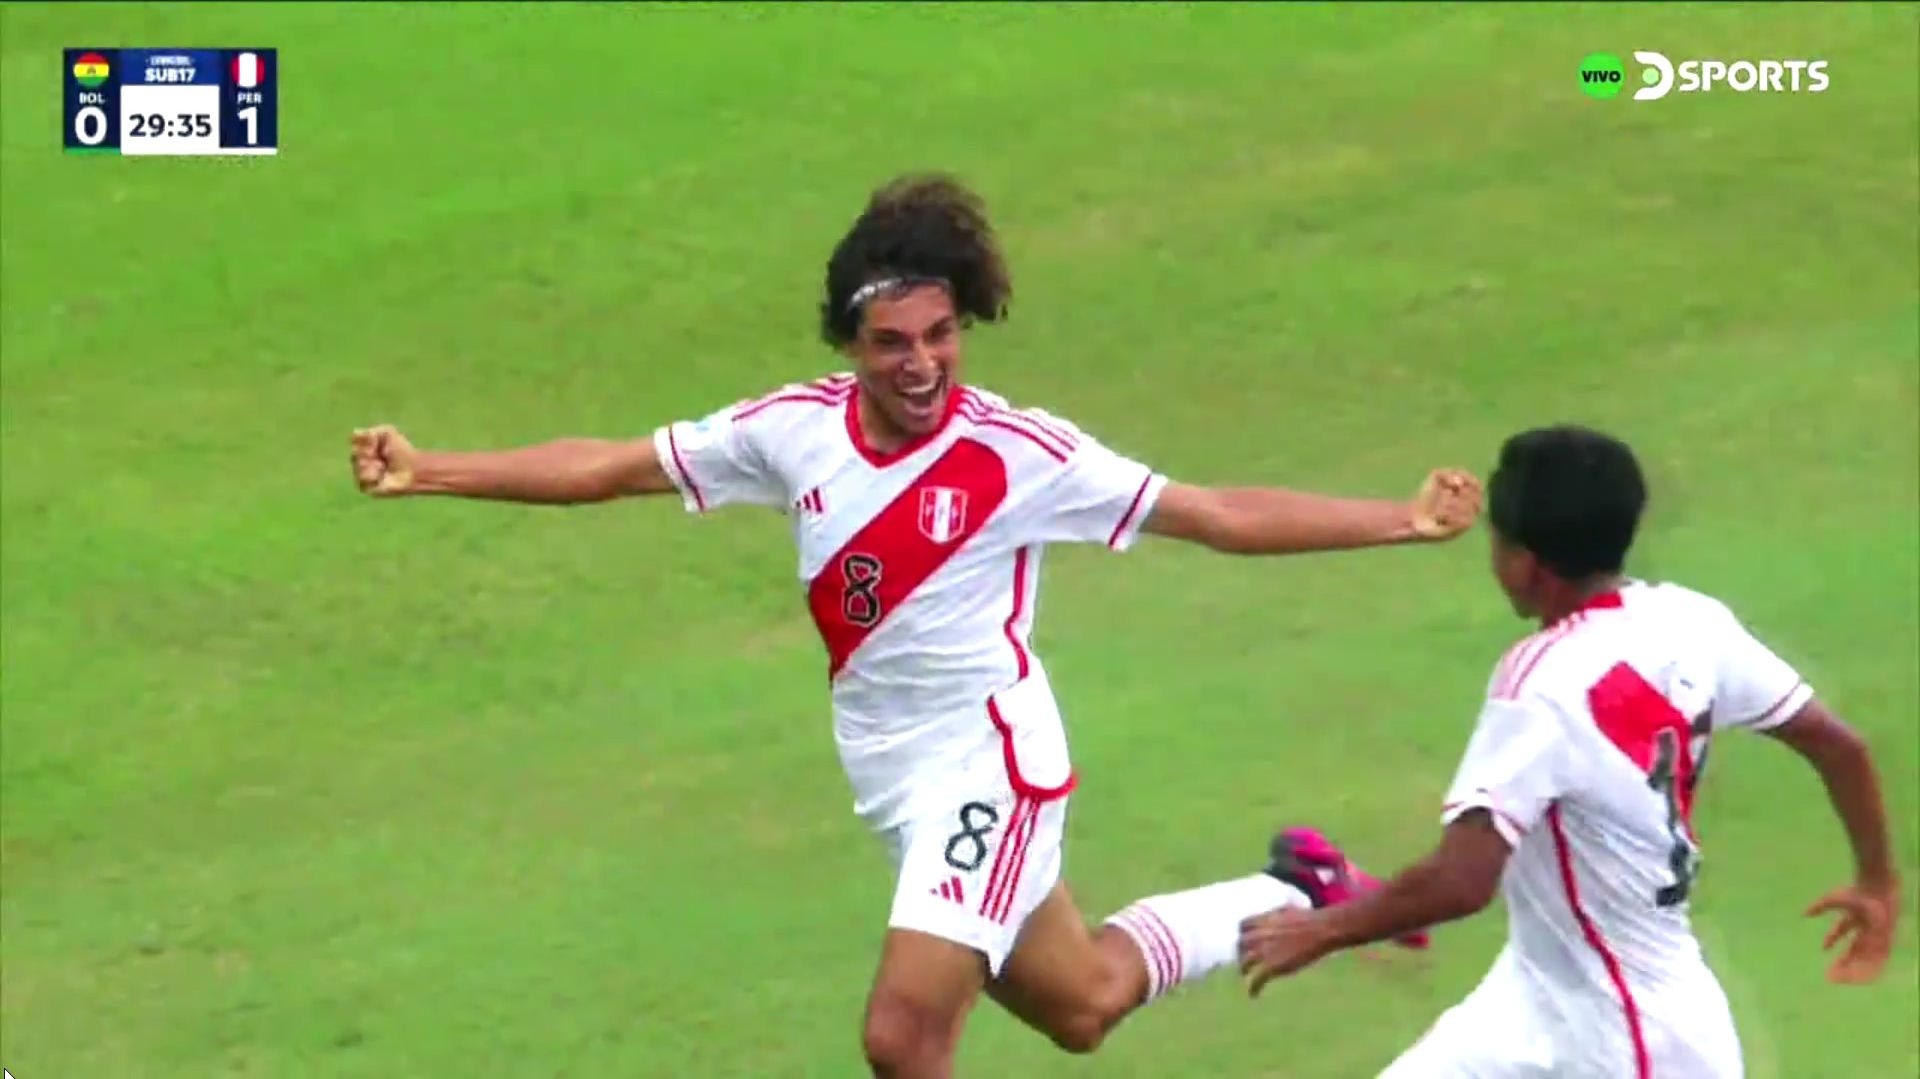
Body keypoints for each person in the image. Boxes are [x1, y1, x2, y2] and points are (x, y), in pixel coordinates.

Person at [350, 173, 1483, 1078]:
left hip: (990, 761)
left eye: (941, 334)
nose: (924, 363)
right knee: (1081, 1003)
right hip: (894, 774)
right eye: (895, 341)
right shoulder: (791, 431)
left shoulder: (1017, 454)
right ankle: (1296, 891)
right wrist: (430, 469)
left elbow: (1218, 513)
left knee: (901, 1037)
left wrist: (1402, 518)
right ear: (851, 342)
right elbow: (606, 466)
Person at [1238, 425, 1901, 1078]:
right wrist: (1877, 879)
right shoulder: (1690, 623)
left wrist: (1323, 930)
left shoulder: (1540, 682)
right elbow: (1838, 743)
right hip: (1535, 995)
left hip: (1633, 1042)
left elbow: (1462, 879)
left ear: (1525, 563)